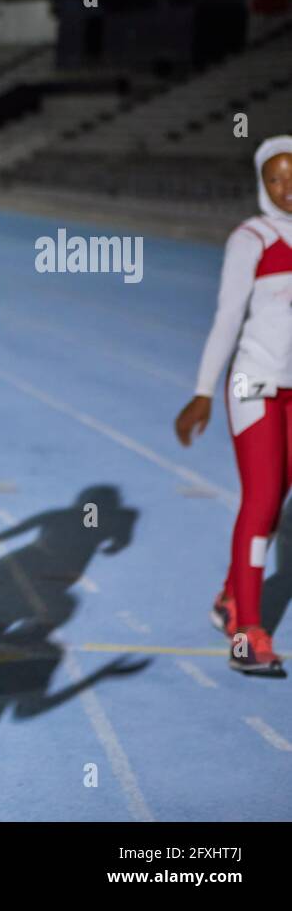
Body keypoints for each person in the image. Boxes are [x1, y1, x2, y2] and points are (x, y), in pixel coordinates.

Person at [175, 135, 292, 677]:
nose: (287, 187)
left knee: (278, 496)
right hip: (254, 385)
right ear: (261, 184)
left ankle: (229, 596)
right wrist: (203, 391)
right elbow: (226, 318)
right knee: (263, 499)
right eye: (276, 178)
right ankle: (246, 630)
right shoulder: (253, 237)